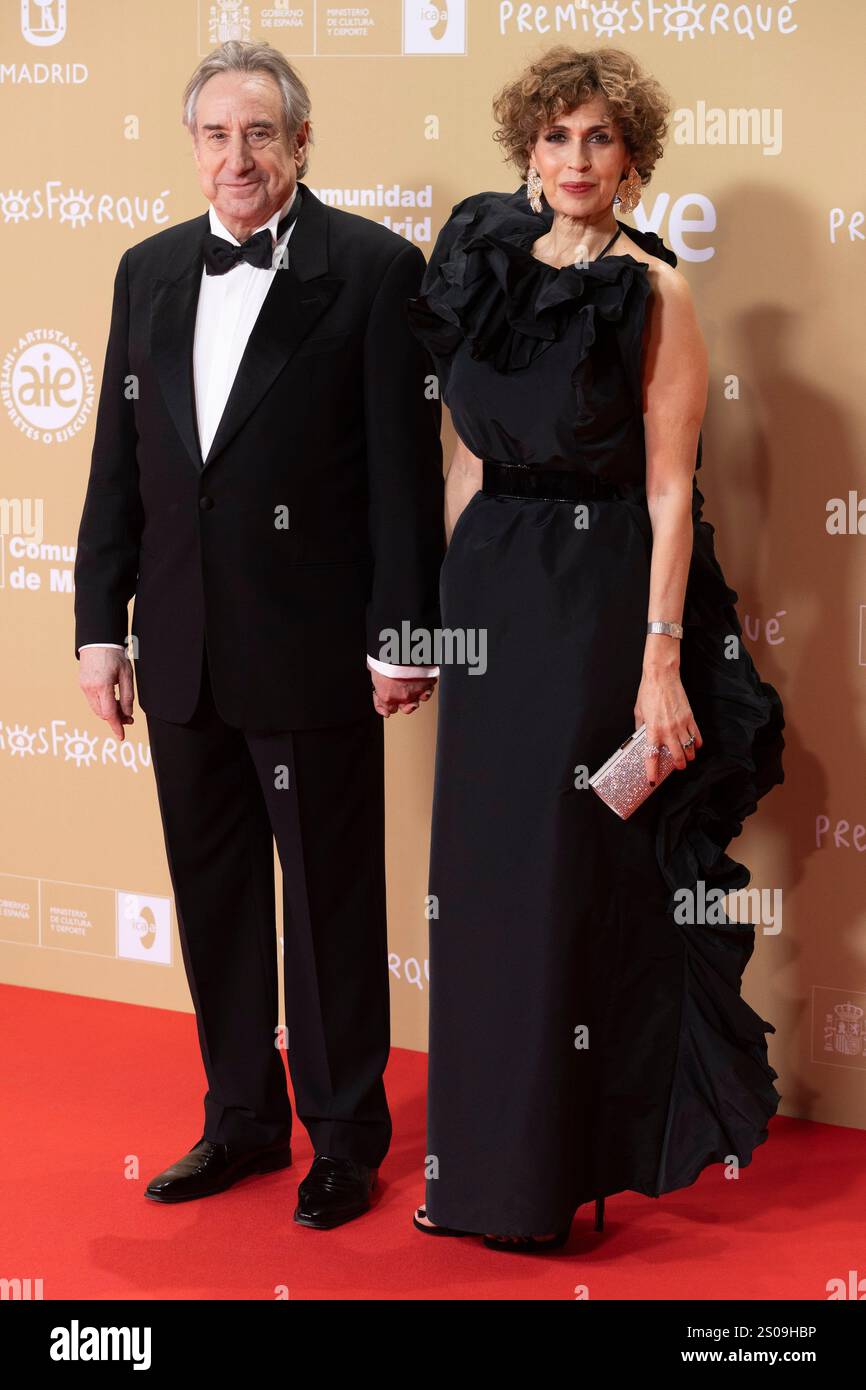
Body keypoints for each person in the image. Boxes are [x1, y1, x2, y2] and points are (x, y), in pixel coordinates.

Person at [406, 45, 785, 1251]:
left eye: (599, 141)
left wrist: (659, 660)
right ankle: (467, 1168)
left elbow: (670, 493)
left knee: (558, 884)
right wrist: (426, 620)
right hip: (488, 593)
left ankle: (542, 1181)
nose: (575, 160)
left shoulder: (651, 290)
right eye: (556, 137)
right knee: (476, 889)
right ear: (527, 143)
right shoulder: (476, 258)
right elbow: (462, 464)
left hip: (589, 598)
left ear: (632, 158)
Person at [73, 40, 444, 1230]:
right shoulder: (147, 270)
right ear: (192, 148)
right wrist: (100, 626)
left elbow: (402, 475)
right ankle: (239, 1117)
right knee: (216, 894)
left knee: (330, 897)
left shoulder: (376, 271)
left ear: (299, 144)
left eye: (261, 135)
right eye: (216, 136)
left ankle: (343, 1133)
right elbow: (117, 467)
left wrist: (403, 636)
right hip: (178, 646)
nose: (238, 158)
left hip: (314, 647)